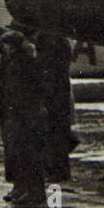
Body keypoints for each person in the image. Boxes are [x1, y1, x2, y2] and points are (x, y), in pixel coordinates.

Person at [0, 27, 47, 204]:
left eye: (6, 44)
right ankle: (23, 189)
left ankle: (30, 190)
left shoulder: (20, 63)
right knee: (19, 154)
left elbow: (20, 90)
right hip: (16, 114)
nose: (4, 48)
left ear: (12, 46)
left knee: (25, 154)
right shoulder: (14, 62)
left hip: (21, 115)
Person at [34, 31, 75, 182]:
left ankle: (55, 172)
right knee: (58, 136)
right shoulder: (60, 43)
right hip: (59, 98)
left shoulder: (50, 48)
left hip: (53, 99)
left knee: (52, 136)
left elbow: (47, 78)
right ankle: (60, 171)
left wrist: (42, 99)